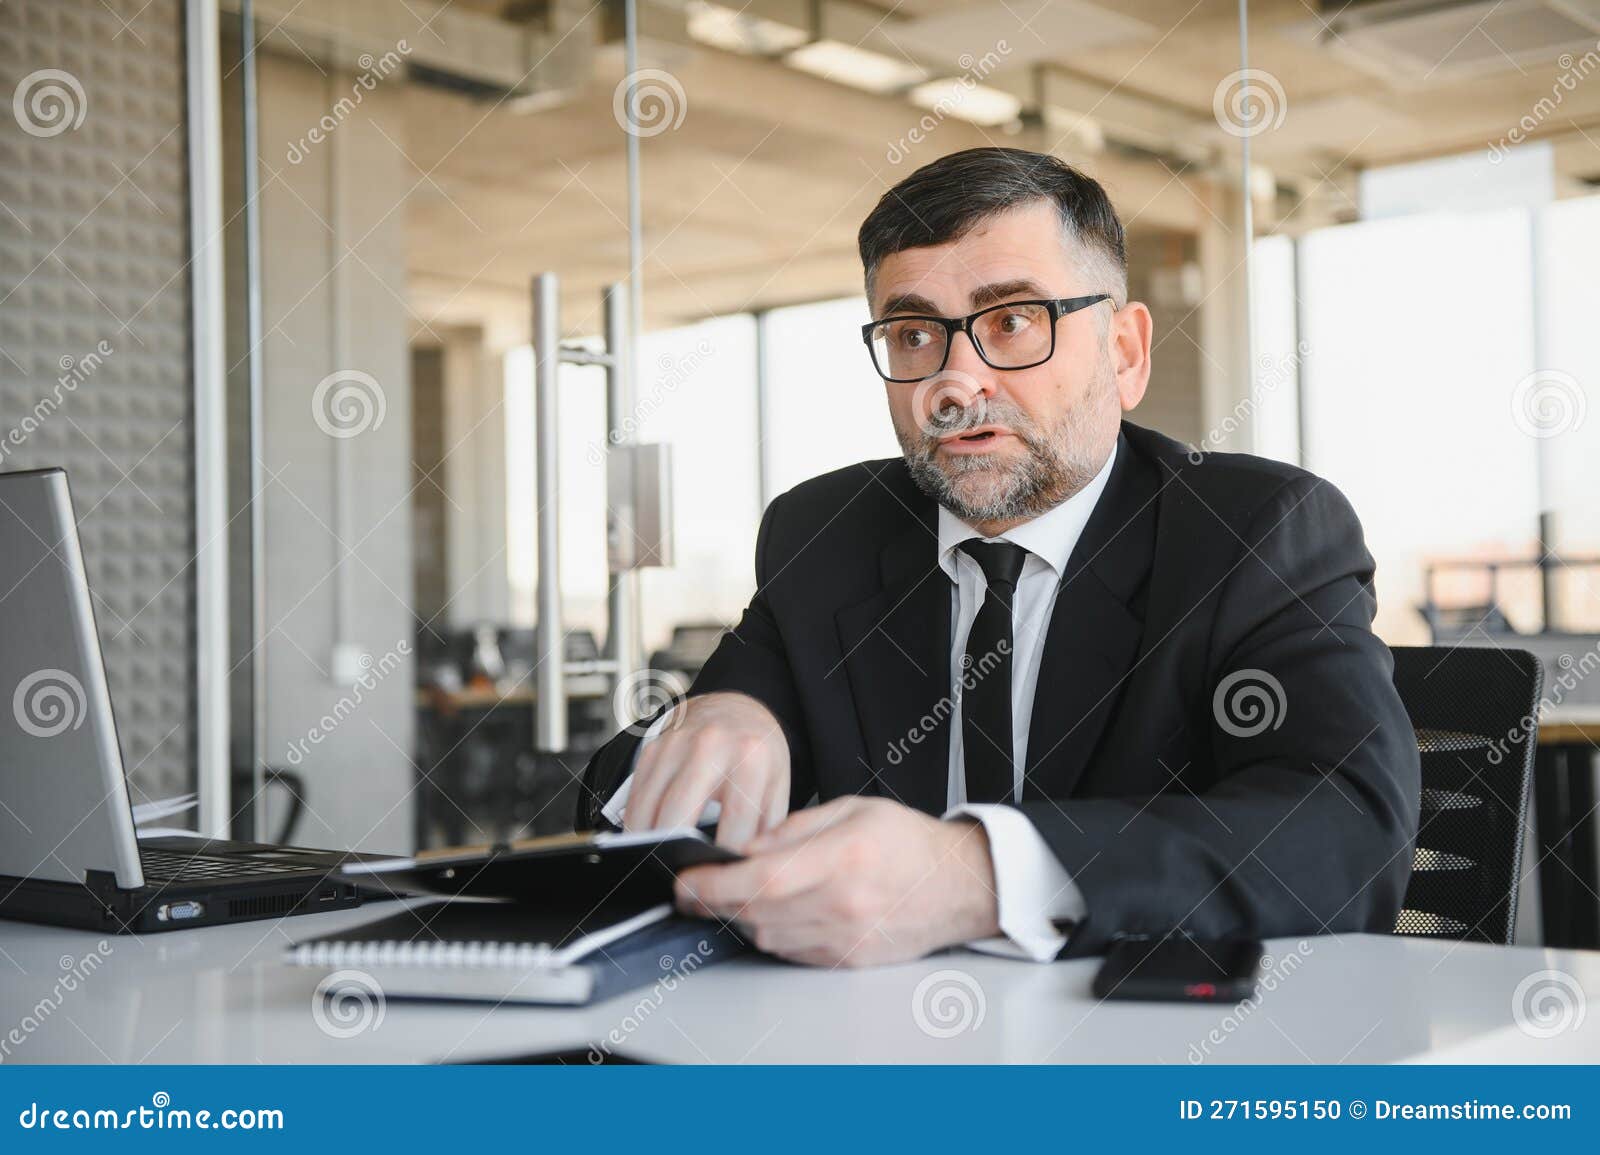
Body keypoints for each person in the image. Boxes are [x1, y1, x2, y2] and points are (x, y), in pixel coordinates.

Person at [578, 146, 1420, 967]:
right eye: (913, 335)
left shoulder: (1255, 533)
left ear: (1124, 353)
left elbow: (1343, 830)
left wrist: (973, 876)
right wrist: (708, 730)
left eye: (1013, 321)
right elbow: (621, 793)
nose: (955, 381)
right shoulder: (826, 533)